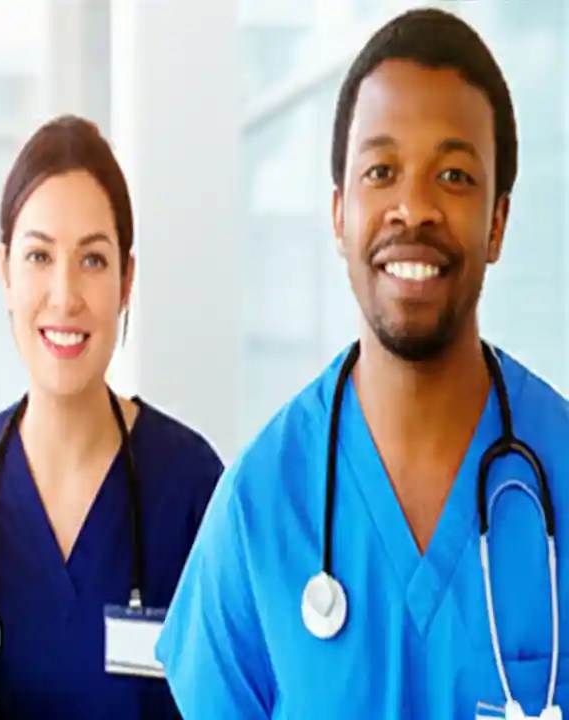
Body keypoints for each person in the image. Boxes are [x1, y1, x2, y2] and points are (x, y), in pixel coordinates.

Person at [157, 8, 569, 718]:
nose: (414, 207)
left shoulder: (560, 468)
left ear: (498, 222)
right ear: (339, 212)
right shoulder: (260, 507)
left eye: (454, 175)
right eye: (382, 171)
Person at [0, 115, 224, 718]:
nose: (65, 294)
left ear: (127, 281)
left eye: (93, 260)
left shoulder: (191, 488)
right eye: (39, 256)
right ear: (5, 272)